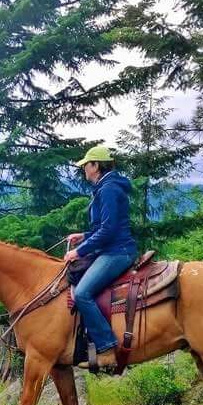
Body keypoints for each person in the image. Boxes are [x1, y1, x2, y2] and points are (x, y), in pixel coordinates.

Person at [63, 146, 138, 368]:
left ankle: (106, 349)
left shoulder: (108, 189)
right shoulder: (106, 186)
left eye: (86, 165)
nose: (84, 169)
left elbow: (108, 231)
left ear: (96, 166)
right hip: (113, 247)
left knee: (83, 293)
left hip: (117, 251)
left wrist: (79, 251)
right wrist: (84, 236)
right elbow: (106, 227)